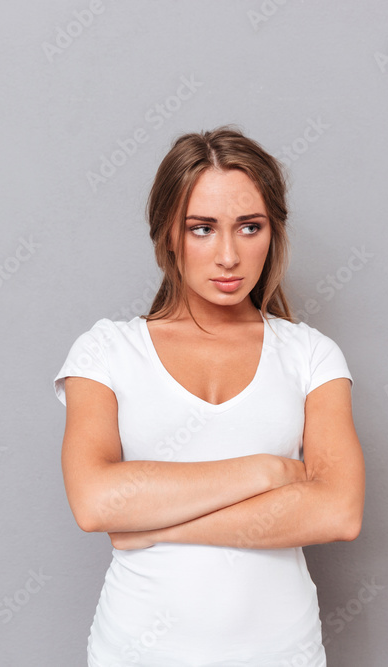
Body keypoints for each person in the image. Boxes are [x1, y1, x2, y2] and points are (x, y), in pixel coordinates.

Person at [53, 126, 365, 666]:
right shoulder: (106, 351)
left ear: (273, 234)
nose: (228, 255)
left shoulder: (311, 356)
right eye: (202, 229)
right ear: (168, 235)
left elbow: (339, 512)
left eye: (249, 227)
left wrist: (159, 522)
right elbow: (95, 500)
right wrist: (267, 472)